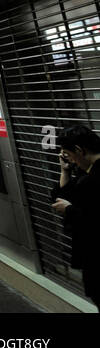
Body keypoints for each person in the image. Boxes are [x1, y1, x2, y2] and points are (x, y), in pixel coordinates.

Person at [51, 124, 100, 304]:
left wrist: (70, 210)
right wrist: (65, 171)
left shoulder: (95, 177)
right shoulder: (86, 171)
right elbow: (61, 198)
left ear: (79, 150)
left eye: (70, 155)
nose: (71, 160)